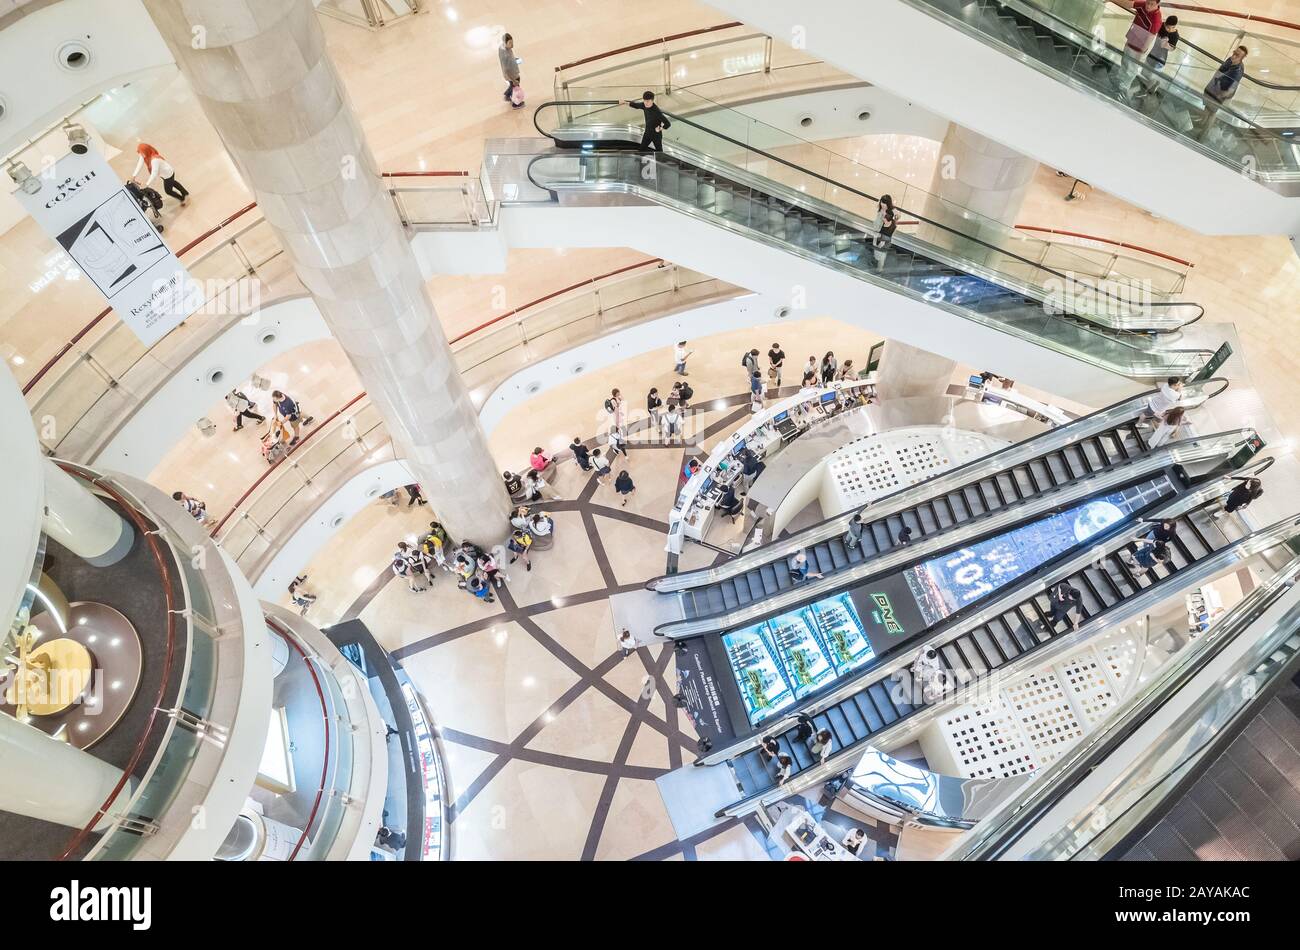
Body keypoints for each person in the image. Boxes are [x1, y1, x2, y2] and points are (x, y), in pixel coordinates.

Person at [1195, 45, 1248, 137]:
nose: (1234, 55)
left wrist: (1220, 96)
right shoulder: (1230, 60)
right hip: (1214, 88)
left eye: (1237, 55)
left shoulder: (1237, 71)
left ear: (1241, 58)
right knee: (1208, 107)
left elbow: (1231, 89)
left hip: (1219, 94)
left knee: (1212, 112)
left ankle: (1204, 133)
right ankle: (1202, 122)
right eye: (1235, 52)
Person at [1117, 0, 1162, 97]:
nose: (1148, 6)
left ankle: (1123, 88)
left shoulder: (1156, 19)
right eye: (1148, 2)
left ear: (1157, 4)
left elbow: (1150, 37)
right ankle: (1119, 80)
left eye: (1152, 4)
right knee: (1125, 61)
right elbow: (1129, 4)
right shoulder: (1143, 5)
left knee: (1131, 68)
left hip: (1139, 47)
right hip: (1131, 40)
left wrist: (1141, 52)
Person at [1134, 15, 1179, 98]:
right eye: (1166, 26)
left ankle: (1144, 91)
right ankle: (1154, 83)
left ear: (1174, 27)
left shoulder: (1175, 36)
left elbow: (1173, 48)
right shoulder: (1162, 25)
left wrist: (1166, 45)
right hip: (1152, 54)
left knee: (1152, 76)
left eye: (1169, 28)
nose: (1166, 29)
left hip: (1160, 60)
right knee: (1144, 72)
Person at [872, 194, 899, 269]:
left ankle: (880, 269)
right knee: (876, 250)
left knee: (881, 254)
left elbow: (897, 216)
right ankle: (876, 264)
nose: (882, 204)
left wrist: (890, 215)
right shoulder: (880, 208)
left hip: (884, 235)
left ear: (888, 204)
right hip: (877, 232)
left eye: (885, 203)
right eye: (882, 202)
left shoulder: (890, 212)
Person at [498, 33, 521, 103]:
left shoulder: (503, 48)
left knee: (512, 86)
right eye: (510, 43)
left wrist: (514, 60)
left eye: (512, 42)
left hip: (511, 73)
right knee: (516, 88)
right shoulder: (505, 55)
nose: (512, 44)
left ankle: (507, 95)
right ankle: (516, 103)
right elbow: (507, 70)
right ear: (505, 43)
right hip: (512, 75)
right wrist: (514, 80)